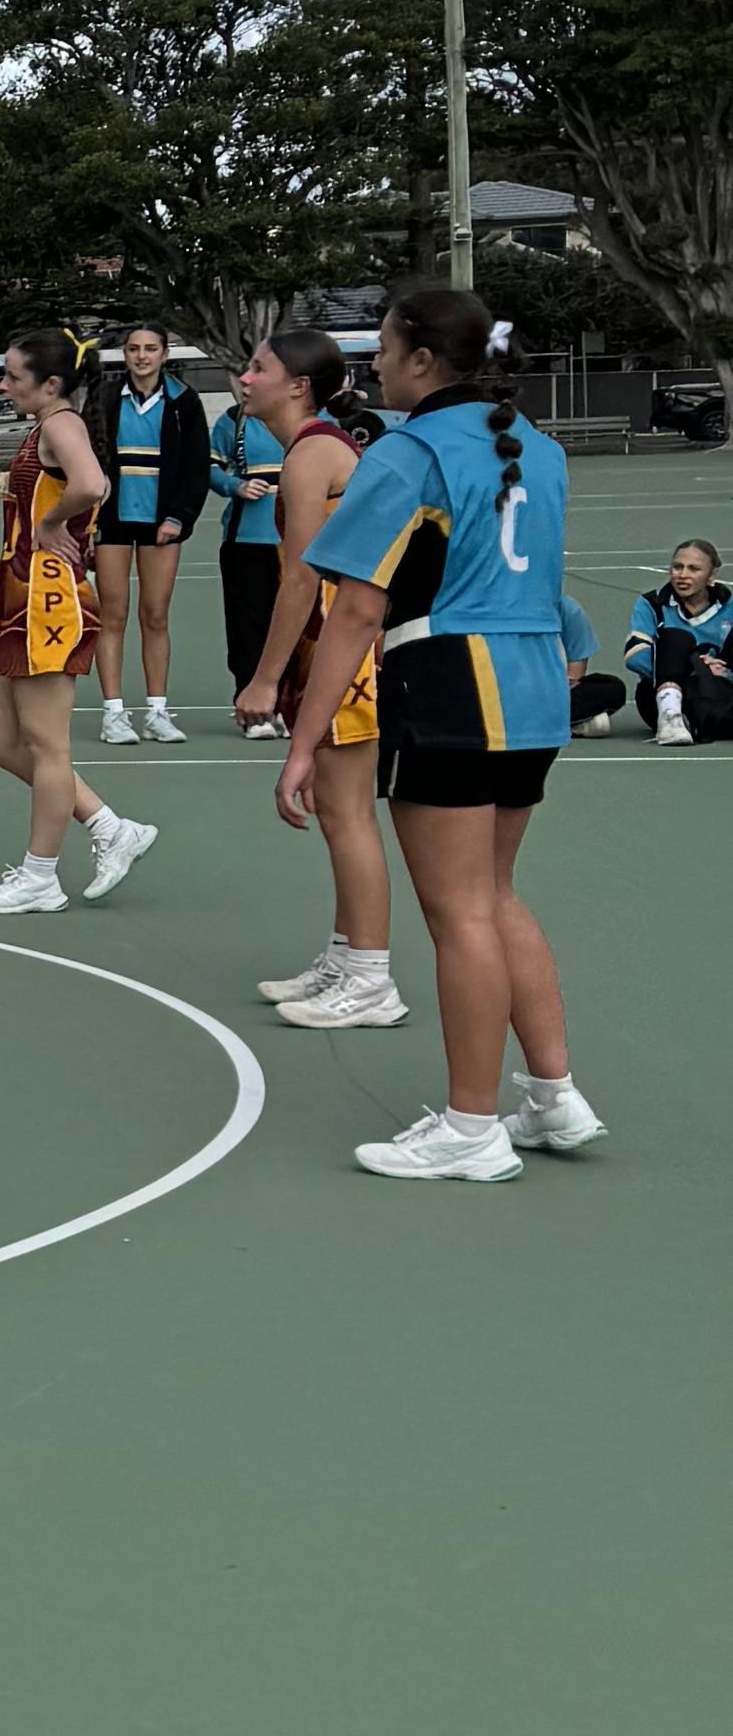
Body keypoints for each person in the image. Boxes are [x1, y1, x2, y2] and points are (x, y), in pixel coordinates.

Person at [280, 280, 601, 1180]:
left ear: (423, 359)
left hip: (456, 682)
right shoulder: (540, 449)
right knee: (494, 896)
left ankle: (470, 1128)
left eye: (383, 345)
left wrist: (303, 742)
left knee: (458, 913)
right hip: (537, 686)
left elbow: (351, 614)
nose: (372, 361)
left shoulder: (409, 454)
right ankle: (551, 1096)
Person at [233, 321, 393, 1027]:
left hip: (342, 645)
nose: (244, 377)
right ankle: (346, 953)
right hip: (331, 643)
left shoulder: (310, 455)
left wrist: (264, 679)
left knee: (350, 813)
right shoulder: (316, 447)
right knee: (336, 810)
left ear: (297, 385)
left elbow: (300, 578)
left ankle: (372, 976)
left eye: (257, 366)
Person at [0, 326, 152, 916]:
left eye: (14, 376)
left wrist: (51, 526)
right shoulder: (46, 427)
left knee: (48, 746)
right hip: (18, 592)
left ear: (50, 384)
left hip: (47, 600)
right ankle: (109, 826)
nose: (2, 384)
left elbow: (94, 483)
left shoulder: (61, 425)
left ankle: (40, 875)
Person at [88, 320, 204, 744]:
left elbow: (195, 467)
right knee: (112, 614)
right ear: (126, 354)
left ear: (164, 354)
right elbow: (87, 456)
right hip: (113, 519)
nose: (141, 356)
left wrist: (178, 517)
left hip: (162, 522)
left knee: (155, 614)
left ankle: (157, 711)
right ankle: (113, 714)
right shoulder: (103, 397)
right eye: (134, 348)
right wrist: (89, 515)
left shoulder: (184, 401)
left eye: (150, 348)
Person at [206, 367, 290, 714]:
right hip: (246, 538)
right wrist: (234, 486)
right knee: (248, 626)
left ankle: (289, 702)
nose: (248, 381)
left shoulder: (311, 419)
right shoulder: (232, 421)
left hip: (299, 541)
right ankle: (251, 705)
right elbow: (209, 467)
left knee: (296, 624)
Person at [624, 537, 733, 742]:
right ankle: (671, 719)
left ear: (711, 576)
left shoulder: (730, 607)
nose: (682, 575)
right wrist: (697, 664)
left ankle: (699, 723)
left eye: (693, 569)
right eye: (677, 567)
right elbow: (635, 656)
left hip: (716, 692)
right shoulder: (652, 604)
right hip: (660, 692)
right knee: (675, 639)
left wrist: (723, 673)